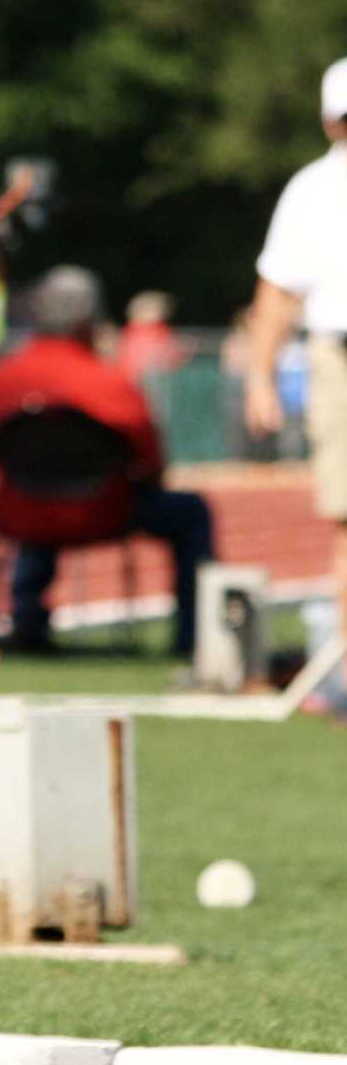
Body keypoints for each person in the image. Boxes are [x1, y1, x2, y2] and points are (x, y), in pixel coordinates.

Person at [0, 266, 217, 658]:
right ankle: (193, 636)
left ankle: (27, 620)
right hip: (103, 511)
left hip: (19, 512)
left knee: (36, 504)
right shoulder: (110, 382)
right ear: (89, 321)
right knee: (193, 511)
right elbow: (152, 462)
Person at [243, 57, 347, 695]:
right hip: (339, 357)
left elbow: (276, 293)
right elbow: (278, 291)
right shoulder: (313, 188)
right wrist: (259, 376)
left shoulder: (310, 185)